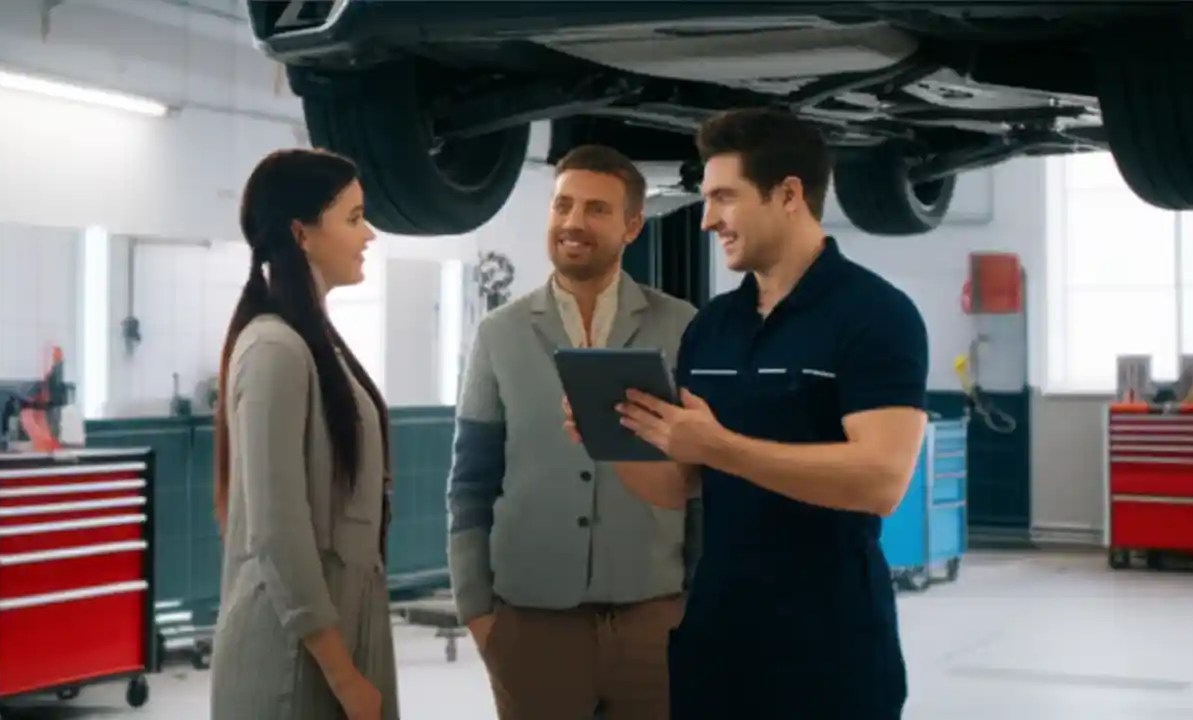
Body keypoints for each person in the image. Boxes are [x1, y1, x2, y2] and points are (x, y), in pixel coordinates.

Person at [564, 108, 930, 718]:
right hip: (719, 641)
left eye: (724, 198)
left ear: (788, 194)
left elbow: (880, 481)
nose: (707, 220)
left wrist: (719, 446)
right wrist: (611, 439)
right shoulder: (712, 327)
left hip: (832, 651)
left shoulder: (877, 315)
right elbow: (681, 483)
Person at [447, 144, 699, 720]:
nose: (572, 223)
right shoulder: (500, 333)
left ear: (633, 225)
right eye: (562, 205)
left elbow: (703, 481)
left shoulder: (680, 326)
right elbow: (471, 483)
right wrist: (479, 612)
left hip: (653, 621)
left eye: (596, 209)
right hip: (530, 625)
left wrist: (695, 604)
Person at [210, 148, 398, 720]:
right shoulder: (274, 349)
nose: (369, 234)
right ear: (303, 233)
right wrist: (344, 679)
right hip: (292, 663)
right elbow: (278, 531)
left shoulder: (314, 342)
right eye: (353, 217)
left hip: (338, 637)